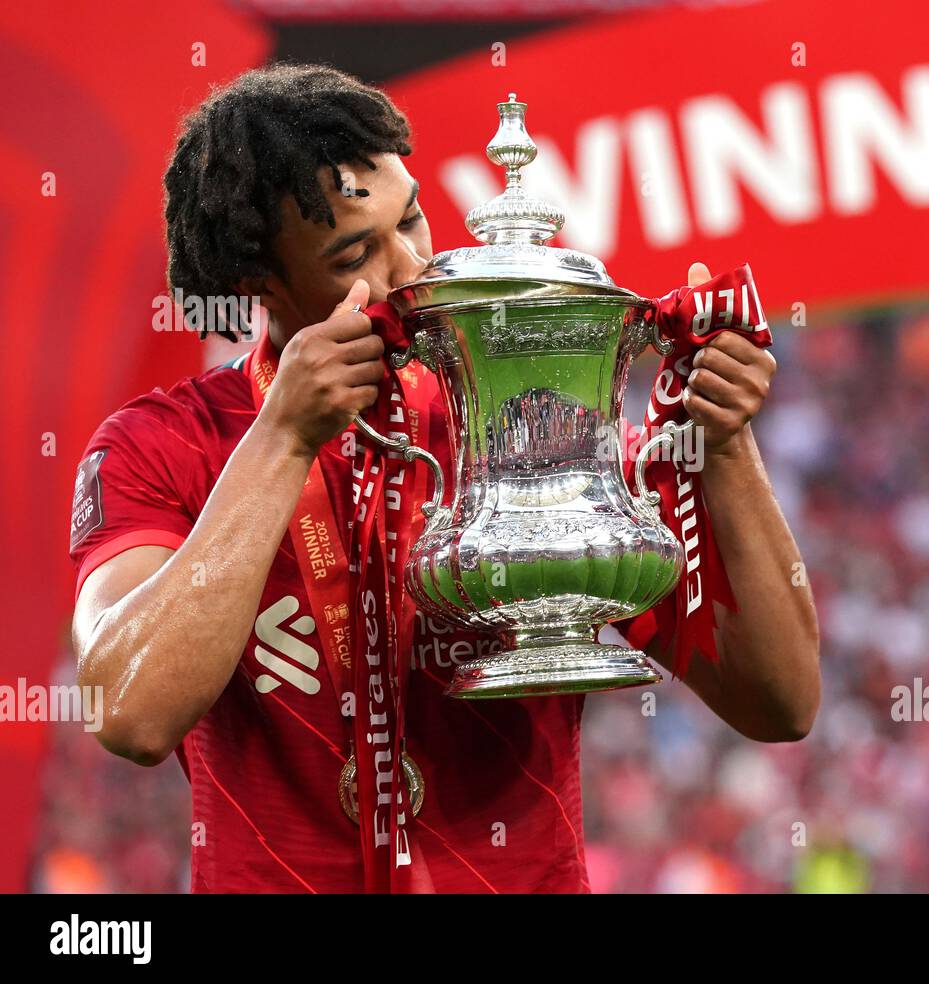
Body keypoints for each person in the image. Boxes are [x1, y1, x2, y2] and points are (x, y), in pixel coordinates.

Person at [68, 64, 819, 893]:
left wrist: (725, 443)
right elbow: (126, 715)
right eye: (356, 253)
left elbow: (780, 703)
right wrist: (283, 437)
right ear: (258, 283)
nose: (411, 269)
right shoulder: (161, 444)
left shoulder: (542, 415)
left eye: (414, 221)